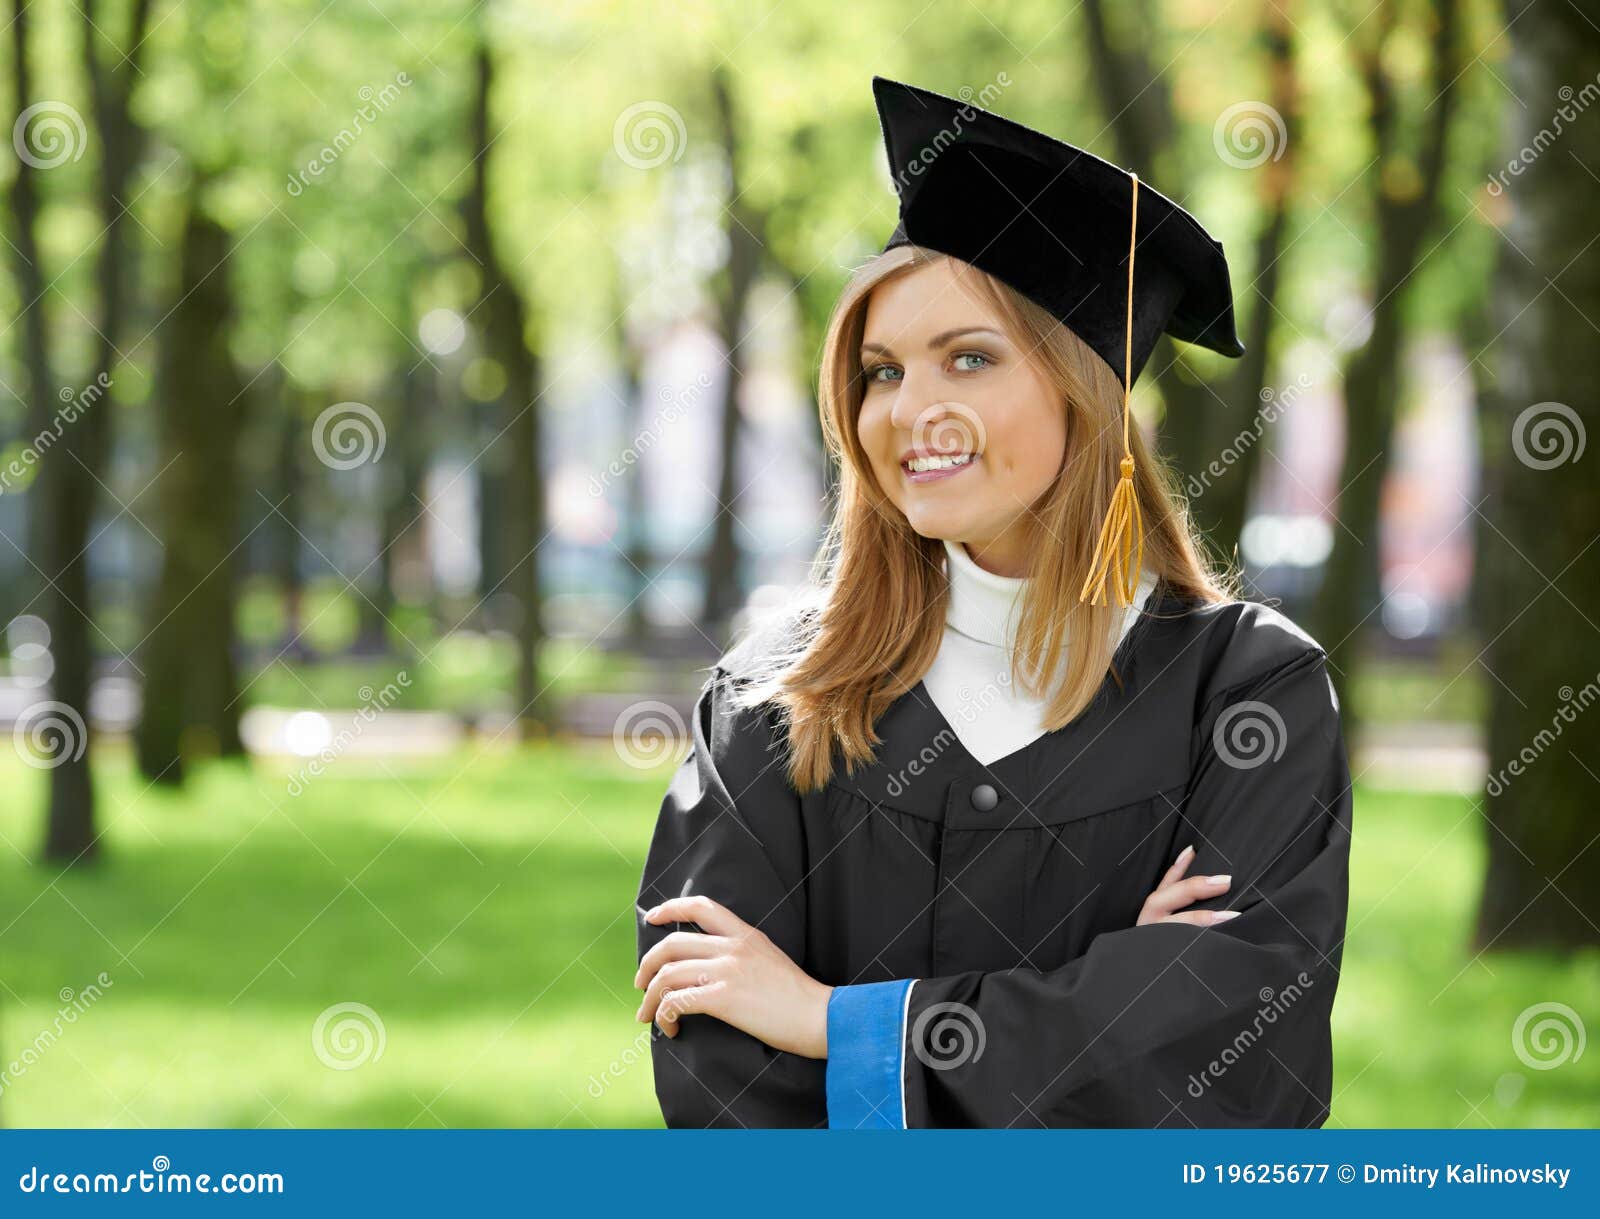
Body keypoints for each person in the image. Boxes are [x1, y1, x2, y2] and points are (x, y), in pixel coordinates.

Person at [632, 75, 1352, 1129]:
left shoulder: (1242, 697)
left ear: (1083, 391)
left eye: (968, 358)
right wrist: (1100, 993)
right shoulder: (770, 698)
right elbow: (719, 1071)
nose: (910, 411)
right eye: (880, 371)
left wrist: (835, 1021)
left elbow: (1228, 1071)